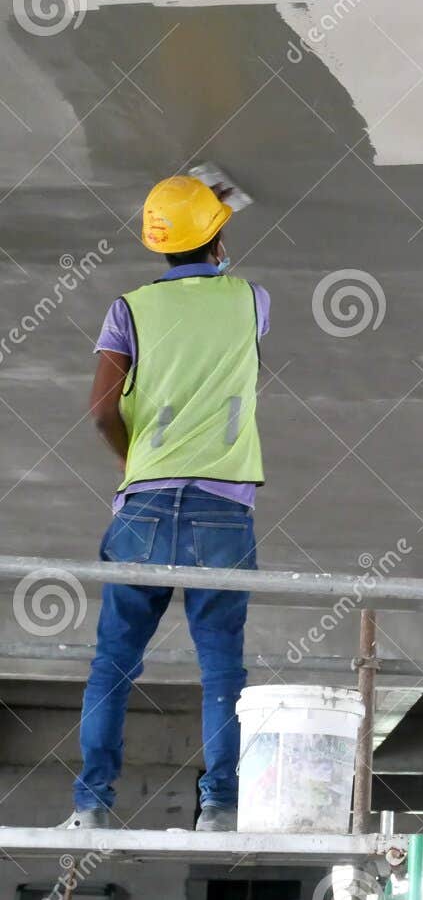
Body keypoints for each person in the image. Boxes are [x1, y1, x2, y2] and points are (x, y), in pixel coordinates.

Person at [61, 175, 267, 834]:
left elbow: (100, 410)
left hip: (144, 508)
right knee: (222, 670)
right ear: (218, 238)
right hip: (222, 511)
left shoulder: (129, 309)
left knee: (114, 663)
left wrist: (136, 465)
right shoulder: (251, 300)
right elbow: (217, 272)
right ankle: (219, 807)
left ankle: (92, 805)